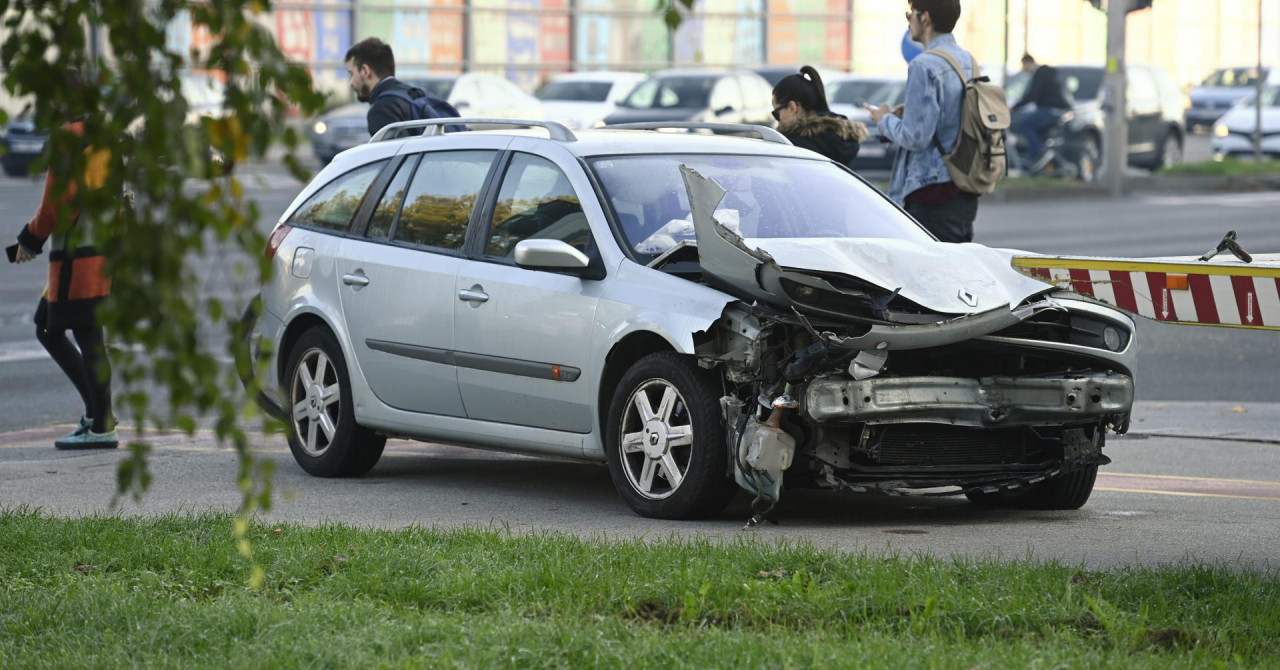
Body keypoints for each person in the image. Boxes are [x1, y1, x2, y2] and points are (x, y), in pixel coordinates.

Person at [13, 68, 117, 449]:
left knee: (81, 334)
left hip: (79, 256)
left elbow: (55, 205)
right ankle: (97, 416)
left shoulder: (69, 140)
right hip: (98, 251)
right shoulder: (103, 137)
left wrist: (29, 239)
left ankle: (101, 423)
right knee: (55, 326)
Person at [868, 0, 978, 244]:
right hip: (965, 184)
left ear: (925, 18)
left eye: (910, 14)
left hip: (932, 190)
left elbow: (915, 137)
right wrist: (911, 112)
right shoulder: (968, 61)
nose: (908, 21)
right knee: (957, 271)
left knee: (930, 274)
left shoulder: (923, 64)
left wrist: (883, 119)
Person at [771, 66, 869, 168]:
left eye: (776, 113)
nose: (778, 119)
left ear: (792, 107)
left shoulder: (793, 146)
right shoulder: (843, 139)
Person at [344, 37, 425, 136]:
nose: (351, 83)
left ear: (365, 71)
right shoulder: (415, 95)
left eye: (352, 74)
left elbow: (392, 151)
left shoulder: (381, 110)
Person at [1011, 54, 1074, 170]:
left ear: (1028, 62)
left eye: (1023, 65)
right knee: (1038, 133)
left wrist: (1014, 107)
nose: (1023, 69)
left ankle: (1041, 151)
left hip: (1048, 110)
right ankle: (1036, 164)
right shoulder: (1047, 72)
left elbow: (1032, 95)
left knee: (1024, 125)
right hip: (1057, 111)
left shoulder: (1040, 73)